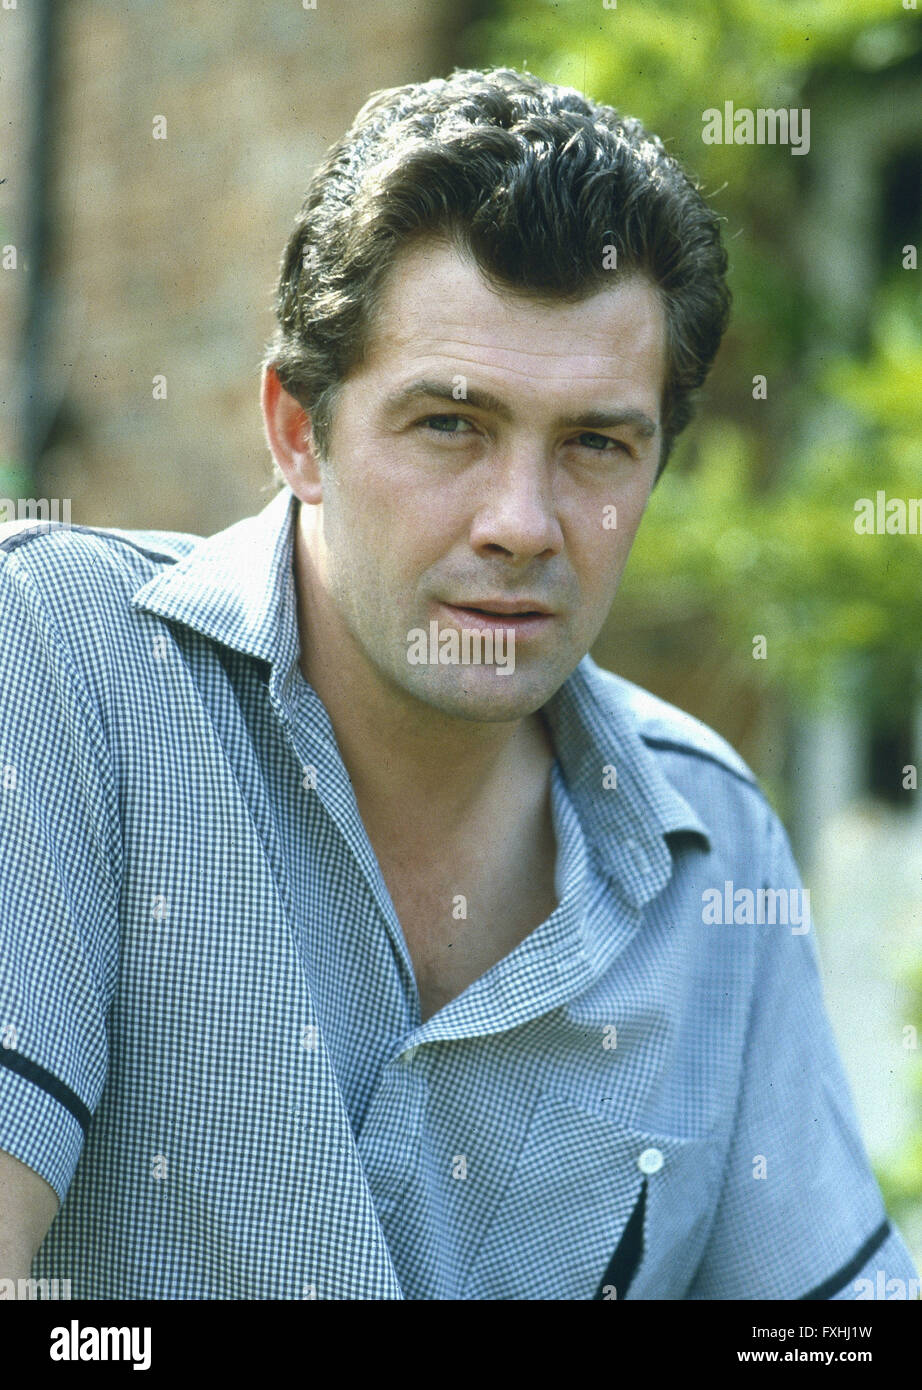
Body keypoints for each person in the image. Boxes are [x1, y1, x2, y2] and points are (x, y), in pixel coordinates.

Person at [0, 67, 917, 1301]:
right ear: (295, 431)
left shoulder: (716, 844)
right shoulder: (65, 662)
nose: (522, 523)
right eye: (450, 423)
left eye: (595, 442)